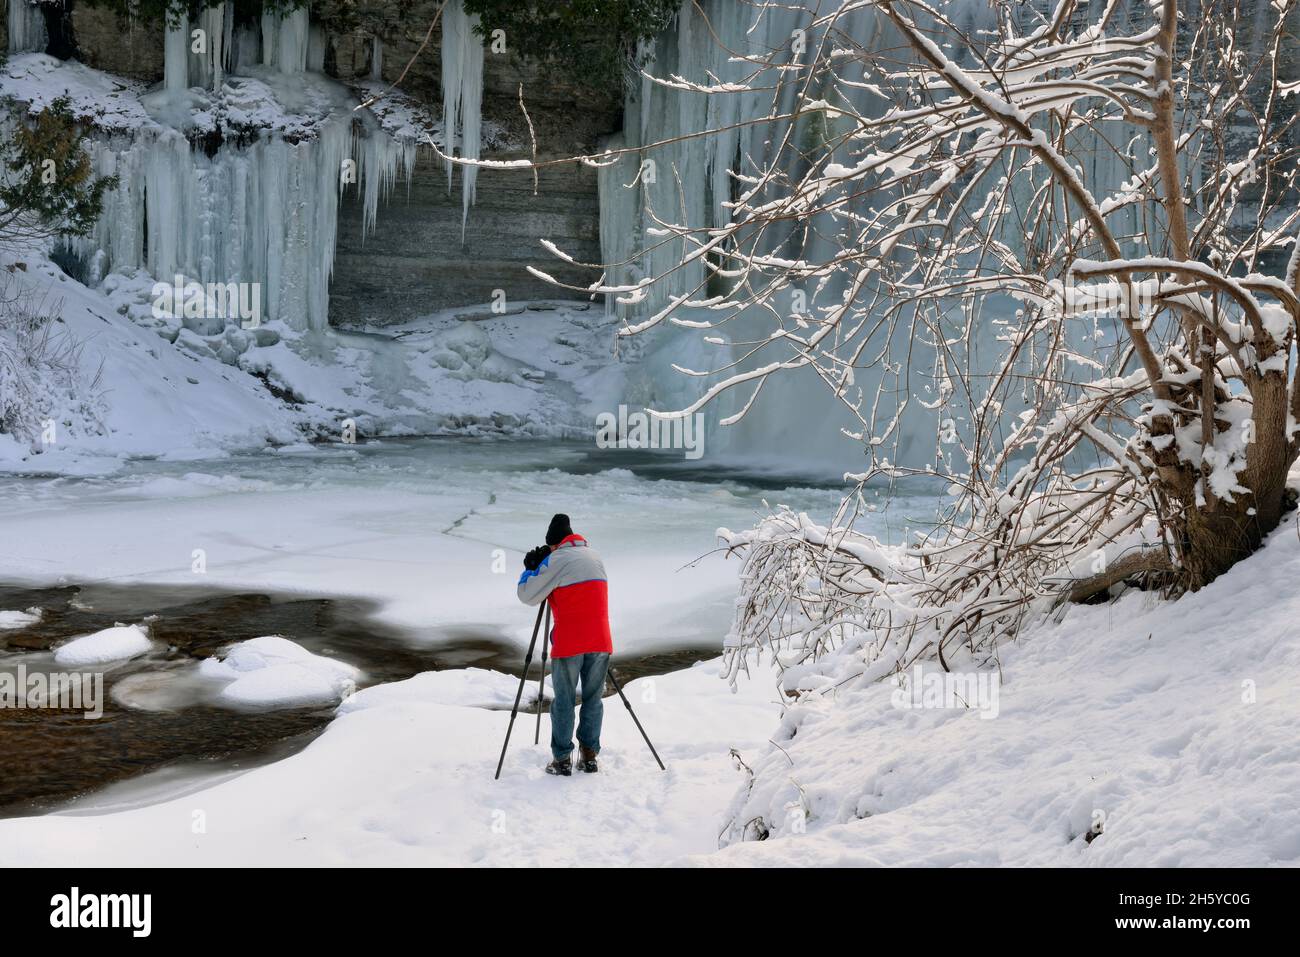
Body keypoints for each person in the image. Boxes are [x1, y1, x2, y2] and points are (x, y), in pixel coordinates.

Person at [517, 513, 613, 776]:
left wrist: (532, 568)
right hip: (601, 639)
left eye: (550, 547)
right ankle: (589, 755)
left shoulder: (557, 558)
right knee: (593, 698)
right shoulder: (595, 555)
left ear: (555, 544)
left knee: (564, 701)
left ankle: (561, 759)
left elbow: (527, 595)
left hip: (571, 641)